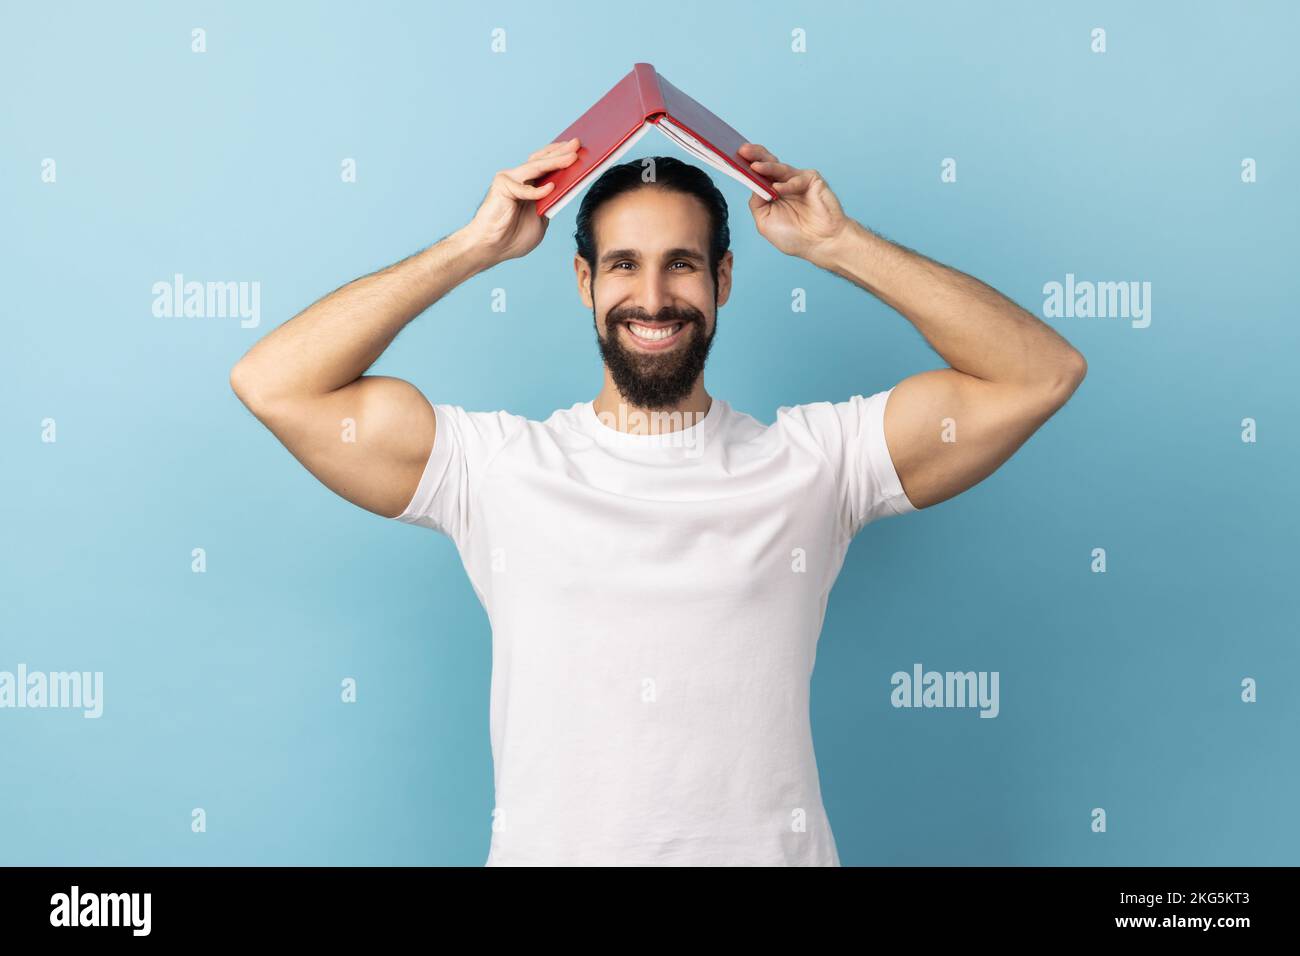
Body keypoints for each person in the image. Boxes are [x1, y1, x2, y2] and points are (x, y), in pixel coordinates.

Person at [229, 138, 1086, 865]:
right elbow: (275, 385)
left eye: (681, 265)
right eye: (623, 265)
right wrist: (472, 247)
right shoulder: (494, 470)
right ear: (583, 281)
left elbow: (1039, 374)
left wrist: (840, 244)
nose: (652, 297)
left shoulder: (817, 462)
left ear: (723, 278)